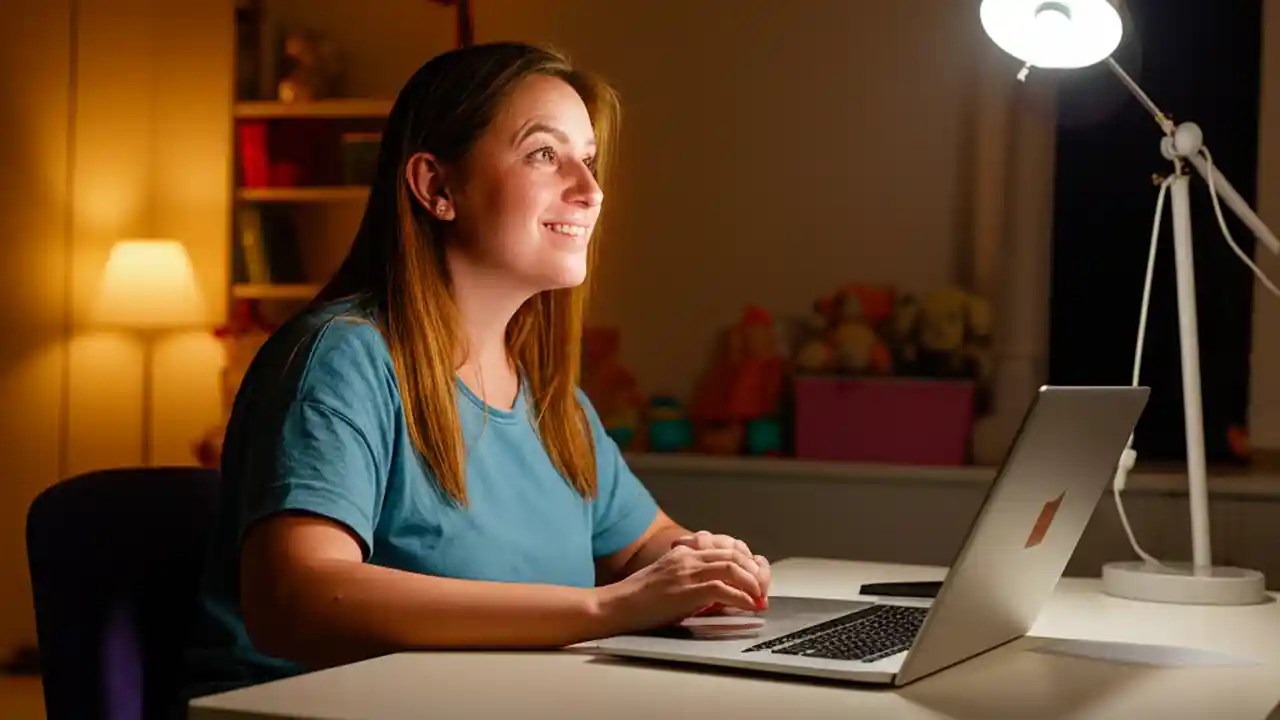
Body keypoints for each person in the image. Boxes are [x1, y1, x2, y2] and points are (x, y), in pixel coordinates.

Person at [182, 42, 771, 699]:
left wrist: (698, 562)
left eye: (588, 160)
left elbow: (640, 542)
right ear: (437, 188)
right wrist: (605, 609)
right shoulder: (340, 360)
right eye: (544, 154)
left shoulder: (553, 402)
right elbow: (297, 596)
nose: (590, 190)